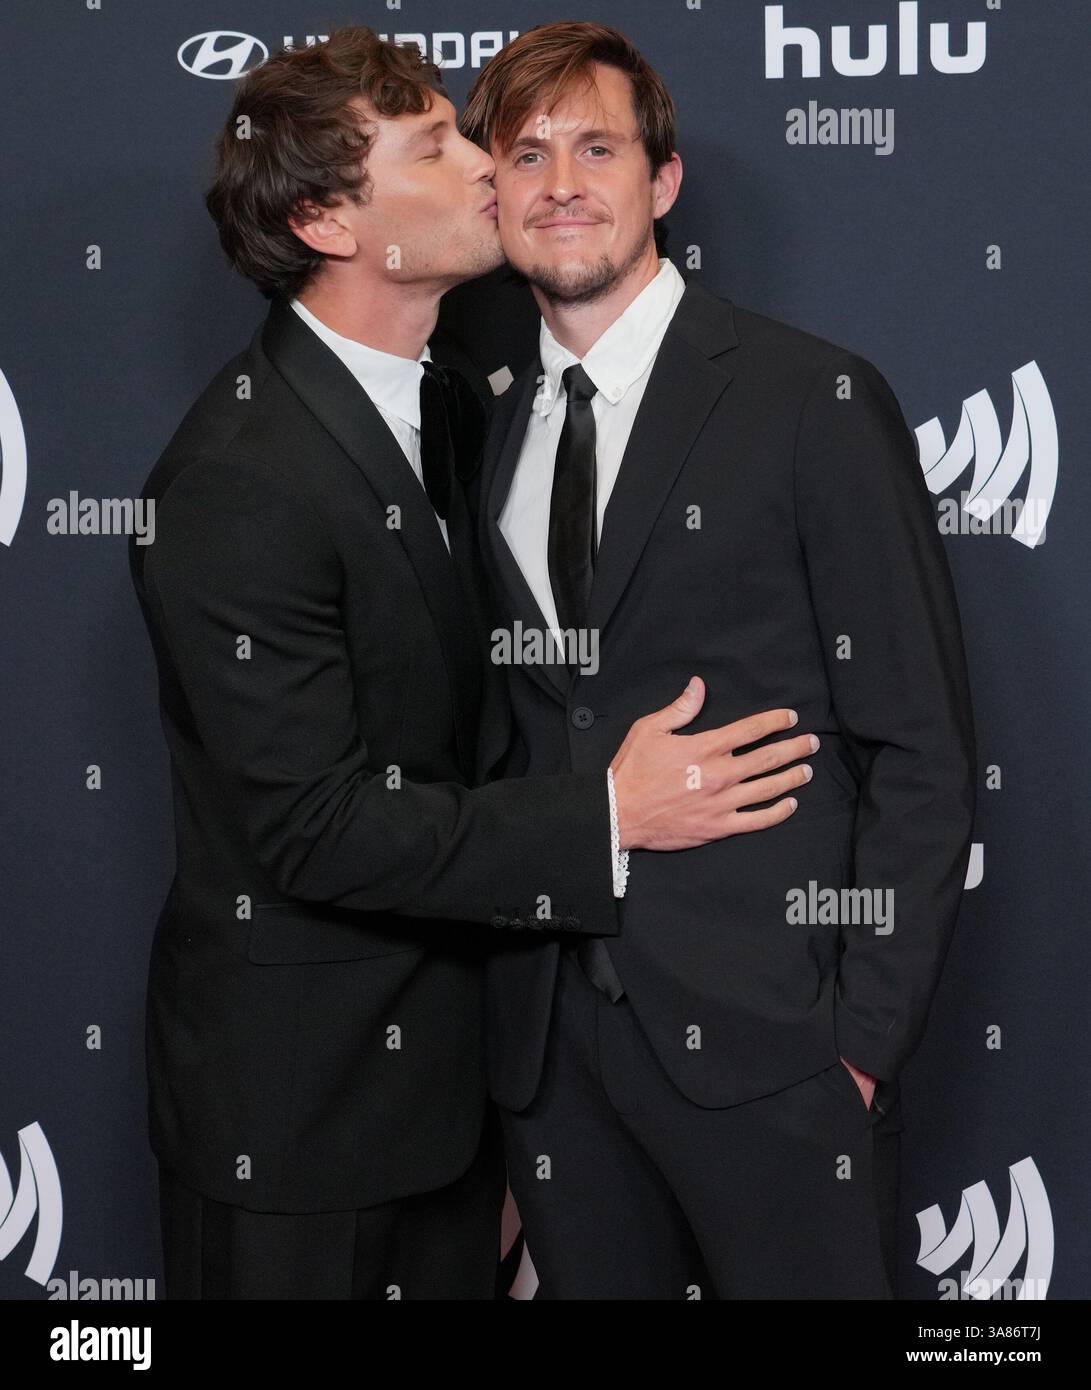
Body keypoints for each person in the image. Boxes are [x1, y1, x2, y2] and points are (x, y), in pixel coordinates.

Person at [129, 27, 815, 1300]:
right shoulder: (239, 478)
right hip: (300, 1130)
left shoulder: (452, 407)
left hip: (456, 1111)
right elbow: (316, 827)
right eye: (437, 146)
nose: (491, 169)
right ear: (334, 221)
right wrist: (609, 812)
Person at [459, 21, 977, 1299]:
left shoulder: (811, 403)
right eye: (526, 155)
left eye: (596, 147)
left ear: (662, 183)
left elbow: (919, 744)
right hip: (552, 1065)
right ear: (493, 194)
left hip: (776, 1050)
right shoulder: (477, 427)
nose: (561, 184)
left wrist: (853, 1048)